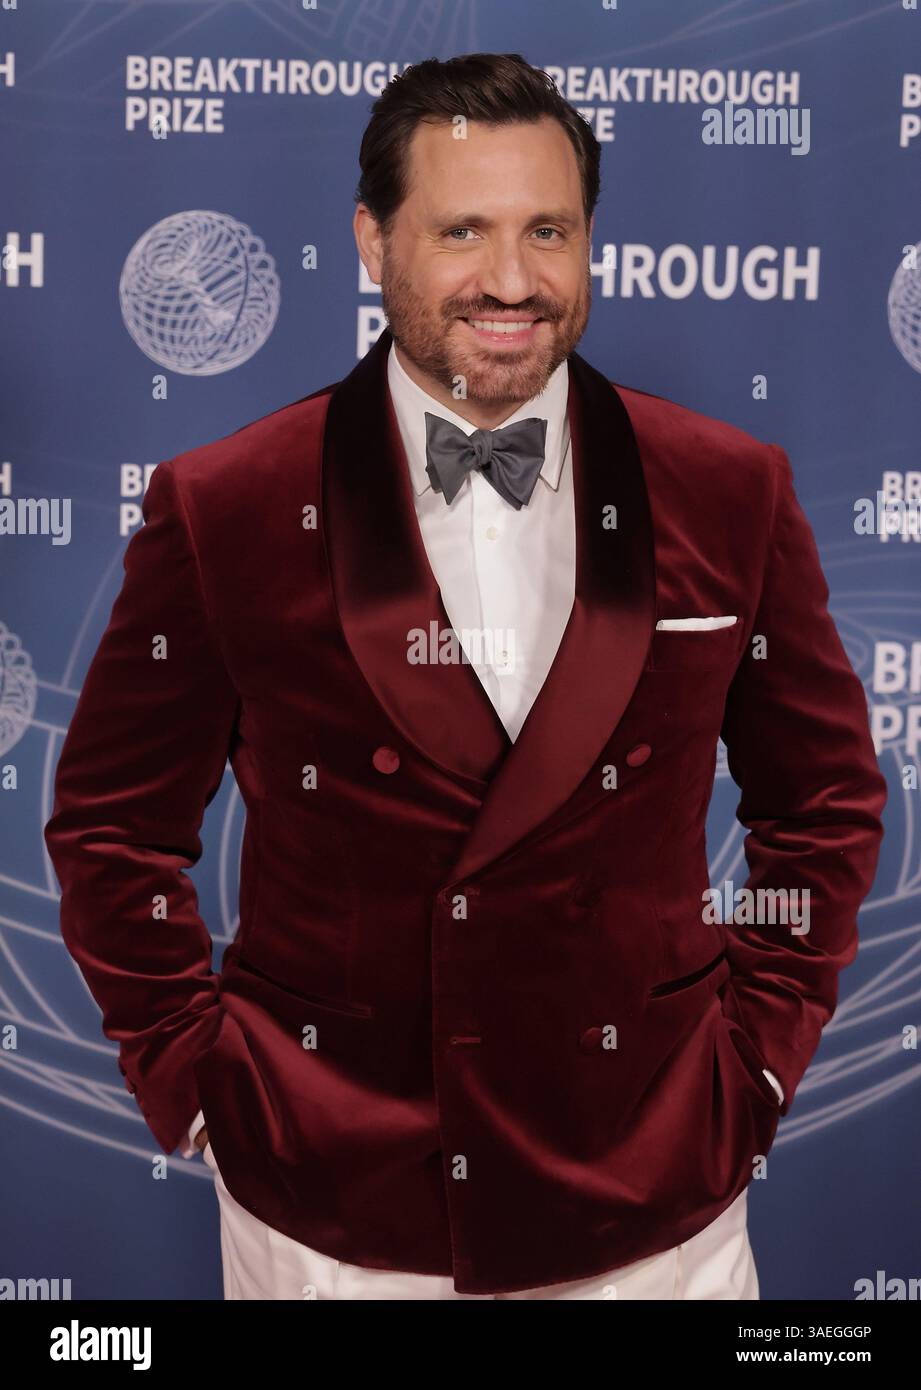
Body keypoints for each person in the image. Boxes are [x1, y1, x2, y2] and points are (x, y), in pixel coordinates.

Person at [44, 52, 887, 1300]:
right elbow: (114, 826)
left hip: (655, 1206)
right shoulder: (228, 506)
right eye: (462, 231)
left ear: (591, 239)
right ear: (372, 242)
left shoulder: (729, 486)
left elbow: (821, 810)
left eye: (548, 229)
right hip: (329, 1211)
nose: (511, 281)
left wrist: (755, 1062)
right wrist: (200, 1085)